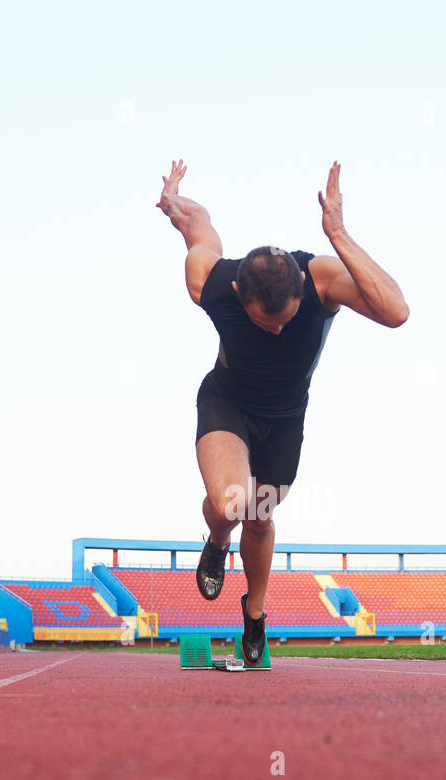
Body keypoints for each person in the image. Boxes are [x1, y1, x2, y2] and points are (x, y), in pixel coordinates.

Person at [156, 159, 409, 663]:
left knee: (260, 518)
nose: (274, 330)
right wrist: (171, 202)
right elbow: (197, 224)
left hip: (285, 419)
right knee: (232, 505)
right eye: (261, 322)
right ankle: (215, 539)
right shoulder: (210, 280)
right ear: (238, 297)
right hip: (227, 401)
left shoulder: (321, 280)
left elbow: (396, 311)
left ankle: (255, 614)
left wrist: (337, 233)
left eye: (285, 321)